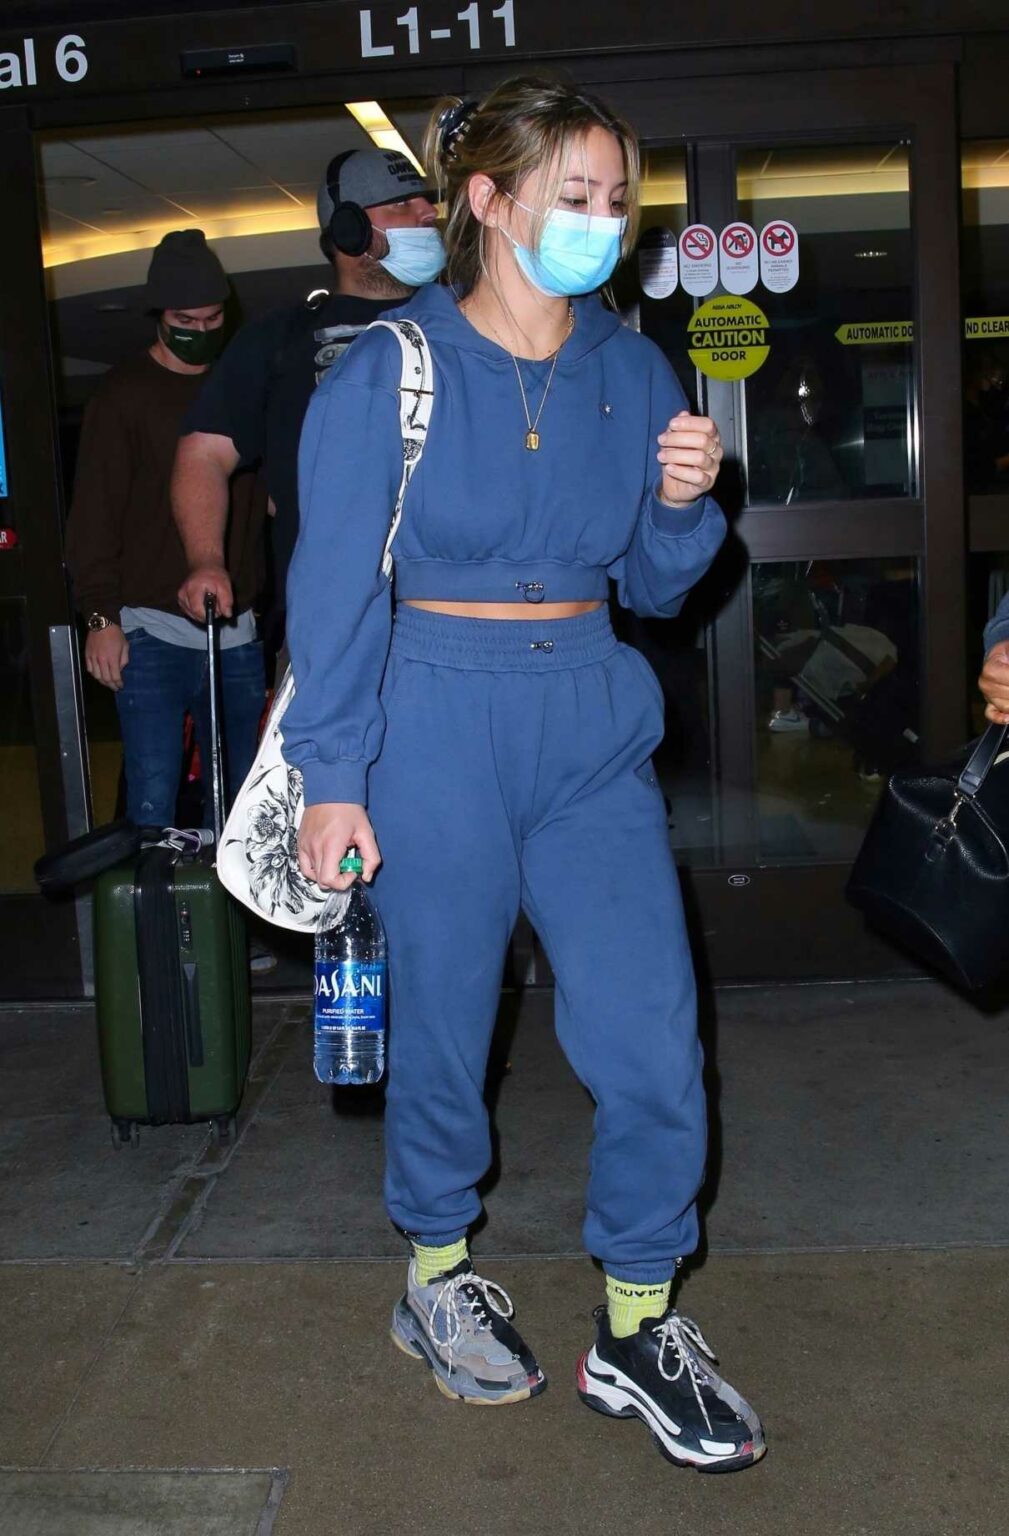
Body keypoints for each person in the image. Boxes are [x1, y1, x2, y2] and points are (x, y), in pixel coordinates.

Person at [285, 78, 765, 1471]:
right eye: (575, 197)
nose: (603, 225)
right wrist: (333, 776)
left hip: (586, 714)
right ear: (488, 201)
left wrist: (682, 505)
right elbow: (331, 594)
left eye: (617, 200)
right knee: (441, 1025)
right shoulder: (388, 368)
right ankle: (435, 1277)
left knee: (653, 1035)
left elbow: (661, 591)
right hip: (428, 712)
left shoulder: (631, 369)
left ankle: (633, 1327)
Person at [173, 147, 444, 640]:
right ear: (349, 231)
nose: (428, 213)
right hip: (330, 623)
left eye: (426, 203)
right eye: (403, 204)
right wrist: (207, 562)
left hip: (460, 621)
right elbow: (204, 452)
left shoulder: (470, 327)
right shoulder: (280, 340)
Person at [66, 230, 268, 843]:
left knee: (238, 800)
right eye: (186, 319)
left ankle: (233, 935)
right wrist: (100, 618)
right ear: (160, 314)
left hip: (237, 630)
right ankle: (154, 931)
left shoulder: (240, 386)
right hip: (149, 626)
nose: (200, 330)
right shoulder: (124, 396)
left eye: (212, 318)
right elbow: (94, 516)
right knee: (153, 793)